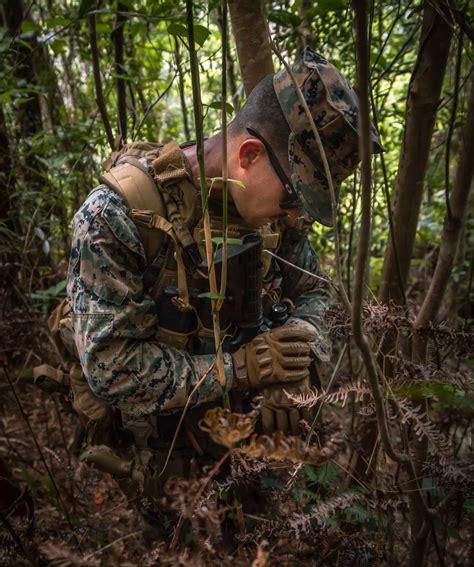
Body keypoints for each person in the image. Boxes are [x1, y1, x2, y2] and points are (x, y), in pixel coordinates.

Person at [62, 48, 381, 500]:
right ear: (248, 155)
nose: (294, 216)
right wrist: (238, 369)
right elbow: (112, 368)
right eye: (295, 197)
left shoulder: (271, 212)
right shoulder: (115, 217)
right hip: (163, 459)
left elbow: (316, 293)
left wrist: (292, 360)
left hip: (256, 449)